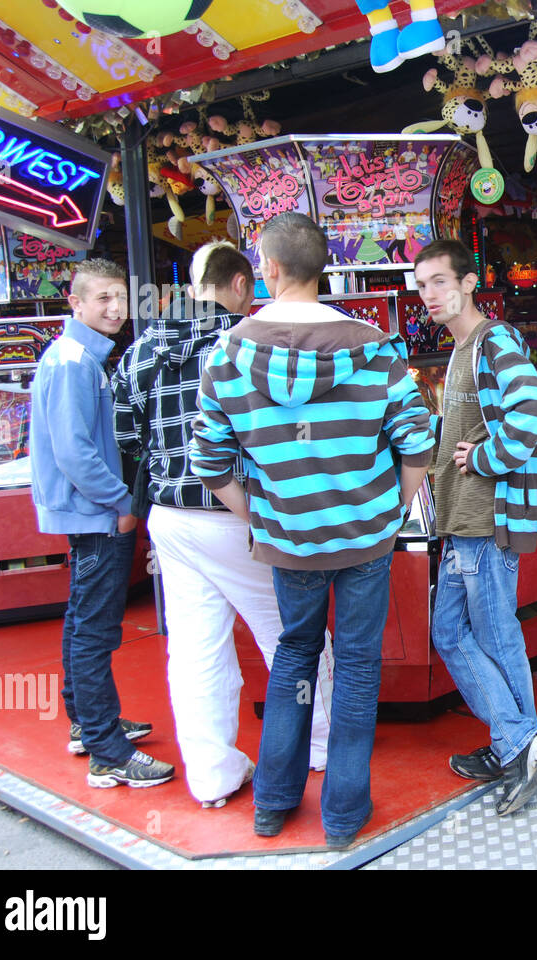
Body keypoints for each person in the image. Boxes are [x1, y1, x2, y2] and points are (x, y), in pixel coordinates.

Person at [192, 213, 433, 848]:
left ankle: (272, 803)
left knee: (295, 658)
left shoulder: (227, 354)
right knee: (356, 666)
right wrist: (388, 514)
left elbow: (209, 462)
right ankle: (344, 816)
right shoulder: (376, 347)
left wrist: (260, 518)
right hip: (364, 541)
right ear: (321, 266)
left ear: (267, 269)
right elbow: (417, 443)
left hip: (286, 540)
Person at [113, 242, 334, 810]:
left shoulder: (142, 351)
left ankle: (211, 775)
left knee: (194, 651)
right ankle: (321, 745)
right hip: (239, 516)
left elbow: (125, 441)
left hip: (171, 520)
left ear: (194, 286)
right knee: (293, 636)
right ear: (241, 283)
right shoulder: (248, 344)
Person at [414, 239, 537, 816]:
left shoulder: (490, 339)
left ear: (469, 283)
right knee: (449, 631)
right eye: (421, 284)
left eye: (440, 282)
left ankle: (516, 744)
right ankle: (516, 741)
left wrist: (487, 457)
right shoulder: (461, 349)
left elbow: (534, 408)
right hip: (460, 520)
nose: (428, 295)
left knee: (495, 633)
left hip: (483, 516)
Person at [29, 258, 174, 789]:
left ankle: (89, 726)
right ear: (76, 302)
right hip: (97, 513)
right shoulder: (72, 362)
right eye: (103, 299)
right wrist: (122, 505)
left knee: (81, 619)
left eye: (121, 297)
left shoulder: (79, 356)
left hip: (92, 510)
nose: (115, 309)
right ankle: (108, 753)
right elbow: (75, 452)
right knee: (95, 628)